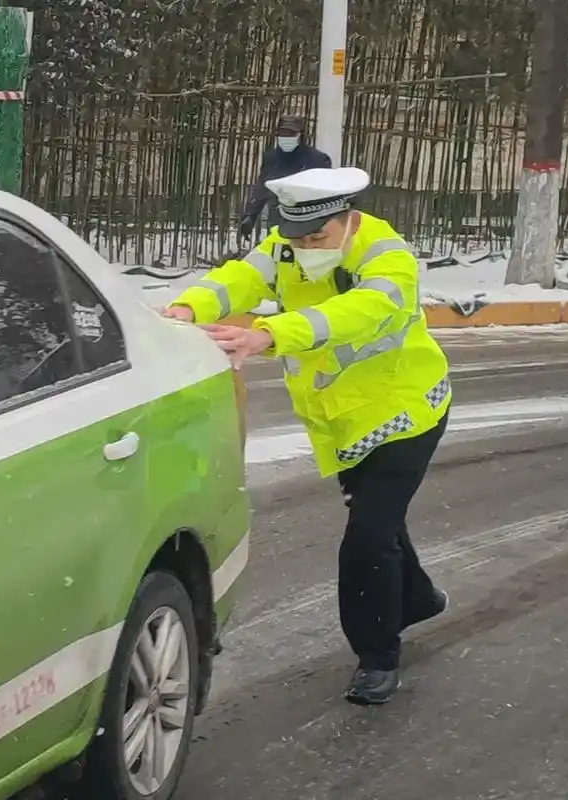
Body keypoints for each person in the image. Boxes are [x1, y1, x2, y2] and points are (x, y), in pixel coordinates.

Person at [163, 167, 452, 705]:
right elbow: (238, 279)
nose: (306, 247)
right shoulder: (286, 246)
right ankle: (417, 598)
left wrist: (269, 334)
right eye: (297, 237)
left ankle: (377, 656)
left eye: (318, 236)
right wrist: (187, 308)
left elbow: (356, 313)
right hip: (341, 421)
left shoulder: (389, 260)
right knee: (378, 520)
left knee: (367, 537)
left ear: (351, 220)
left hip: (405, 413)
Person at [238, 115, 332, 241]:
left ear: (300, 135)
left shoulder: (317, 160)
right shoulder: (271, 158)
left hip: (307, 224)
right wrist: (250, 215)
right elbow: (262, 188)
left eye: (290, 134)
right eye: (282, 133)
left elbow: (327, 196)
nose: (285, 138)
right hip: (277, 222)